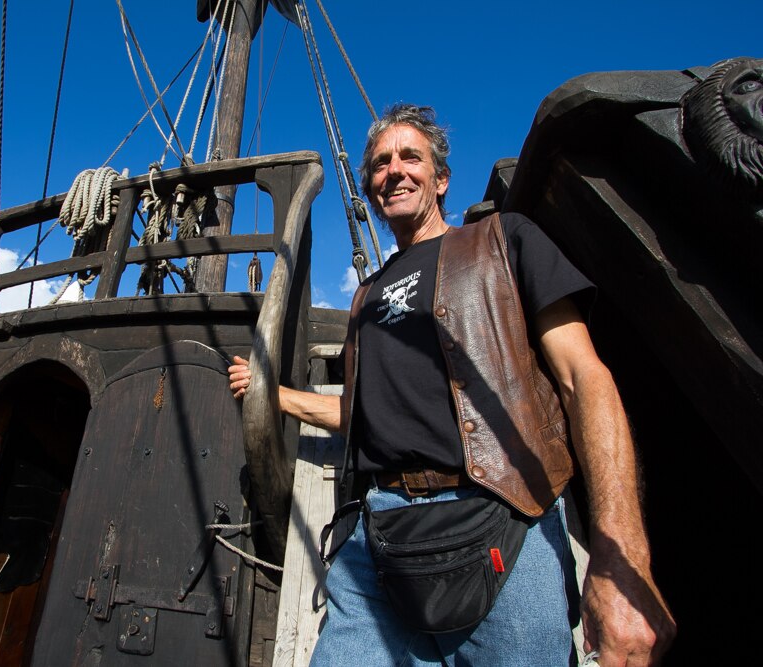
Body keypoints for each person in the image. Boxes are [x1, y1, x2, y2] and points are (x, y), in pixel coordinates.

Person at [229, 104, 676, 666]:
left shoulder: (504, 240)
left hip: (503, 520)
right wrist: (275, 396)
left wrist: (622, 555)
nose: (394, 170)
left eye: (410, 157)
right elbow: (365, 417)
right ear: (370, 188)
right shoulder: (364, 298)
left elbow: (582, 378)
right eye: (380, 163)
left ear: (440, 179)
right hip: (380, 540)